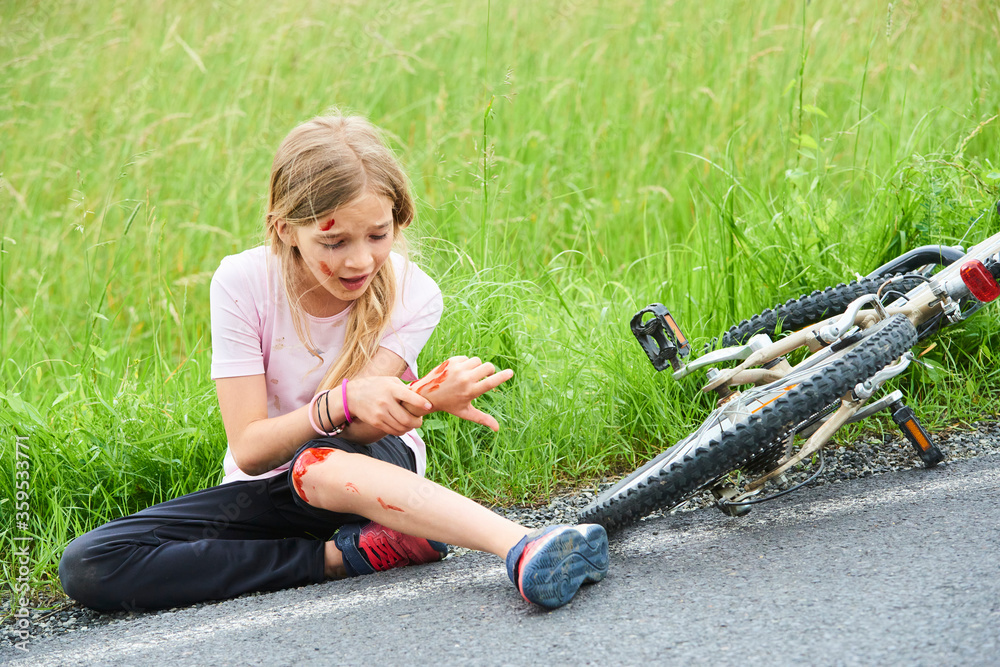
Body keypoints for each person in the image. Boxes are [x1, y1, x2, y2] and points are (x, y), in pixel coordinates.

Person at [59, 112, 609, 612]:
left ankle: (520, 546)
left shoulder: (414, 292)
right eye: (333, 241)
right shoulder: (242, 282)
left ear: (399, 220)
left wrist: (419, 403)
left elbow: (362, 423)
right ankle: (344, 557)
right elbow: (250, 451)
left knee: (318, 463)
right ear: (284, 229)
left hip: (370, 464)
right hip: (272, 485)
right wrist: (340, 401)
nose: (361, 260)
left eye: (379, 235)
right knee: (92, 563)